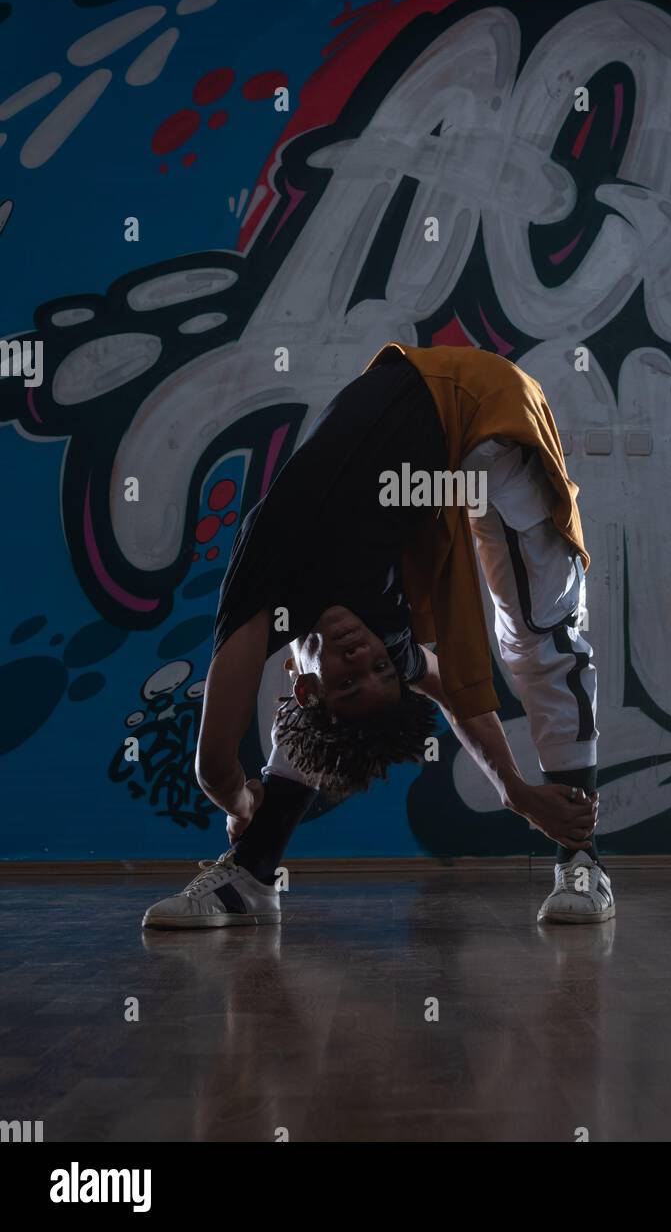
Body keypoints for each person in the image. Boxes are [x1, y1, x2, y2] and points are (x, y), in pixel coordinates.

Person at [142, 343, 613, 929]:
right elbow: (448, 690)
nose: (361, 656)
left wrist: (241, 805)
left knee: (535, 632)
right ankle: (252, 874)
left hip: (470, 414)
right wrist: (517, 792)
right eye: (380, 670)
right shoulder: (378, 631)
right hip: (457, 435)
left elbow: (213, 765)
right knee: (533, 625)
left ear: (306, 684)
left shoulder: (267, 597)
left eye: (346, 677)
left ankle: (581, 861)